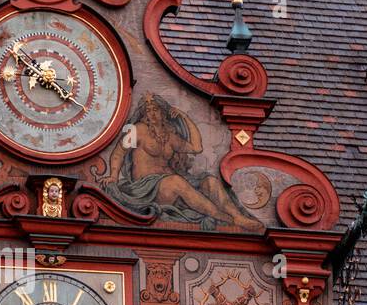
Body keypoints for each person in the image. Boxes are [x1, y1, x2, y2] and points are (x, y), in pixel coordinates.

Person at [103, 93, 263, 231]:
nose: (152, 113)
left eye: (155, 109)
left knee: (210, 181)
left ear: (163, 112)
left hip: (171, 185)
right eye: (148, 110)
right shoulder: (138, 130)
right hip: (146, 188)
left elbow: (196, 147)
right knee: (176, 181)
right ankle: (223, 217)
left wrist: (184, 117)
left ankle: (237, 216)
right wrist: (113, 176)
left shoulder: (170, 136)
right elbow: (119, 152)